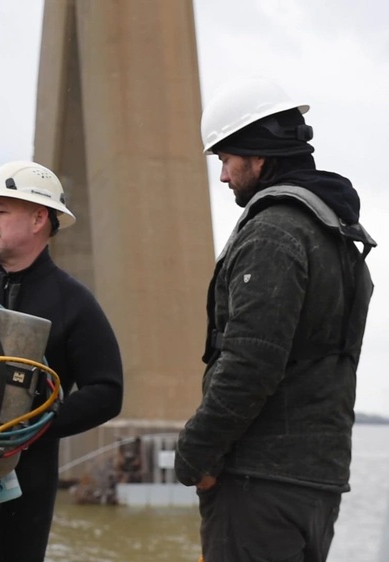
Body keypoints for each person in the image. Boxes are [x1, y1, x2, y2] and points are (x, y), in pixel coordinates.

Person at [175, 77, 375, 562]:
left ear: (258, 158)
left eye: (225, 160)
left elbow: (249, 364)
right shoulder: (335, 235)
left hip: (258, 487)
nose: (223, 177)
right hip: (317, 484)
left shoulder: (273, 233)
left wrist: (192, 456)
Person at [0, 161, 124, 562]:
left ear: (39, 218)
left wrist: (33, 427)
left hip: (25, 487)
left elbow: (107, 391)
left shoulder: (74, 302)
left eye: (1, 210)